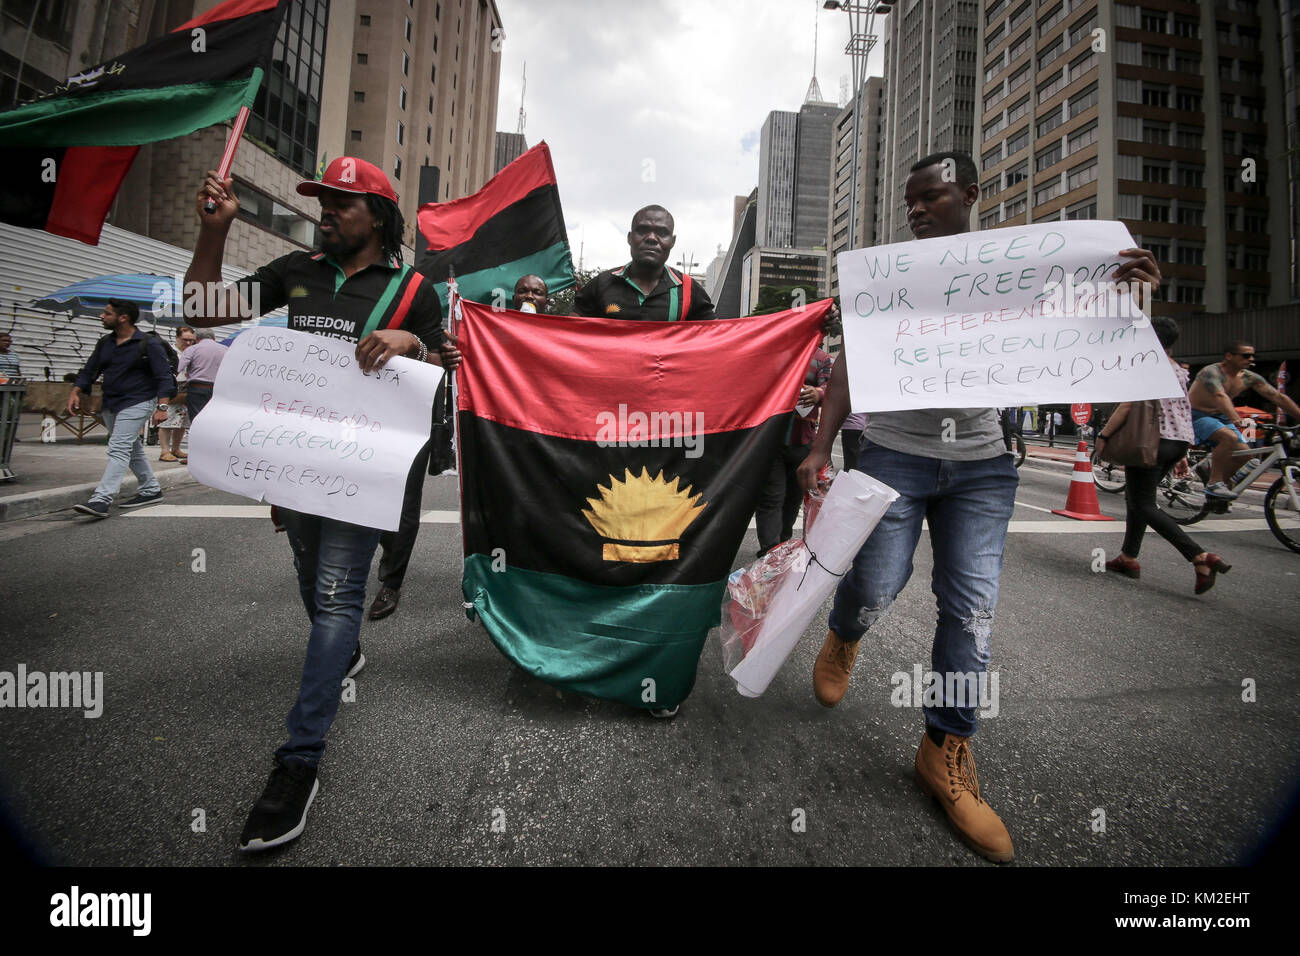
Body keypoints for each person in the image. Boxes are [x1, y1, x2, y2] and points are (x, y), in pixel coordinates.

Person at [796, 150, 1163, 864]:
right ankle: (846, 632)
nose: (917, 209)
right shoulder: (891, 276)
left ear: (968, 194)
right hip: (895, 454)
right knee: (874, 584)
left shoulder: (1021, 271)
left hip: (983, 467)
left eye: (930, 197)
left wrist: (1131, 294)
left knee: (971, 610)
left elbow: (1085, 326)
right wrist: (821, 441)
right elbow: (850, 360)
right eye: (910, 200)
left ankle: (946, 747)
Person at [184, 156, 457, 851]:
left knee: (337, 597)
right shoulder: (295, 270)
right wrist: (214, 236)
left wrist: (414, 341)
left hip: (362, 473)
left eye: (341, 203)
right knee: (311, 582)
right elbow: (200, 311)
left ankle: (299, 762)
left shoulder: (413, 287)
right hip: (295, 467)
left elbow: (442, 369)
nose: (325, 212)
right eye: (323, 202)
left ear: (380, 218)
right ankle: (345, 653)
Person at [1098, 316, 1230, 594]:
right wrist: (1181, 451)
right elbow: (1181, 408)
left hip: (1152, 442)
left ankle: (1199, 557)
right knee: (1137, 499)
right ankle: (1128, 557)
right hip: (1177, 441)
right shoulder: (1179, 370)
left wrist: (1104, 437)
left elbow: (1127, 406)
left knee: (1144, 504)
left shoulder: (1148, 365)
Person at [67, 300, 176, 517]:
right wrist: (76, 390)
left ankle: (101, 499)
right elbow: (90, 370)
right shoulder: (105, 343)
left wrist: (162, 407)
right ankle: (151, 489)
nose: (102, 316)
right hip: (111, 403)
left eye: (107, 313)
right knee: (131, 447)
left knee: (118, 447)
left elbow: (164, 376)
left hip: (138, 401)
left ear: (123, 317)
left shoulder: (148, 344)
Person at [1187, 341, 1300, 498]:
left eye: (1253, 355)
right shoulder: (1211, 372)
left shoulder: (1249, 377)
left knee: (1245, 456)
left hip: (1221, 417)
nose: (1251, 359)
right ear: (1229, 356)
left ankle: (1219, 492)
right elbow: (1220, 395)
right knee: (1229, 438)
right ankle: (1214, 483)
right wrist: (1235, 418)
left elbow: (1277, 396)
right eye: (1246, 355)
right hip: (1197, 415)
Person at [574, 206, 716, 321]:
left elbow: (717, 339)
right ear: (630, 238)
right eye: (642, 230)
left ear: (672, 242)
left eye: (662, 232)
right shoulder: (601, 284)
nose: (652, 238)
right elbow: (569, 335)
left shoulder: (689, 290)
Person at [755, 347, 831, 556]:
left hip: (803, 441)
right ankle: (769, 552)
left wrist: (818, 393)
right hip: (771, 440)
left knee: (793, 498)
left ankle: (782, 543)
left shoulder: (822, 359)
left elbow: (832, 388)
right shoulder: (774, 352)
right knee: (771, 498)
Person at [158, 326, 195, 462]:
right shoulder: (170, 352)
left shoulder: (191, 351)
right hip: (171, 388)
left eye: (191, 340)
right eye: (185, 340)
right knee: (167, 421)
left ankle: (176, 448)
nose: (188, 343)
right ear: (177, 338)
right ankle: (164, 450)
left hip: (187, 388)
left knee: (182, 422)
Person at [175, 327, 228, 423]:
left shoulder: (192, 349)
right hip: (218, 391)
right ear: (214, 338)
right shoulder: (226, 350)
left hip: (197, 389)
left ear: (196, 339)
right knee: (214, 420)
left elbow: (178, 368)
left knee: (197, 420)